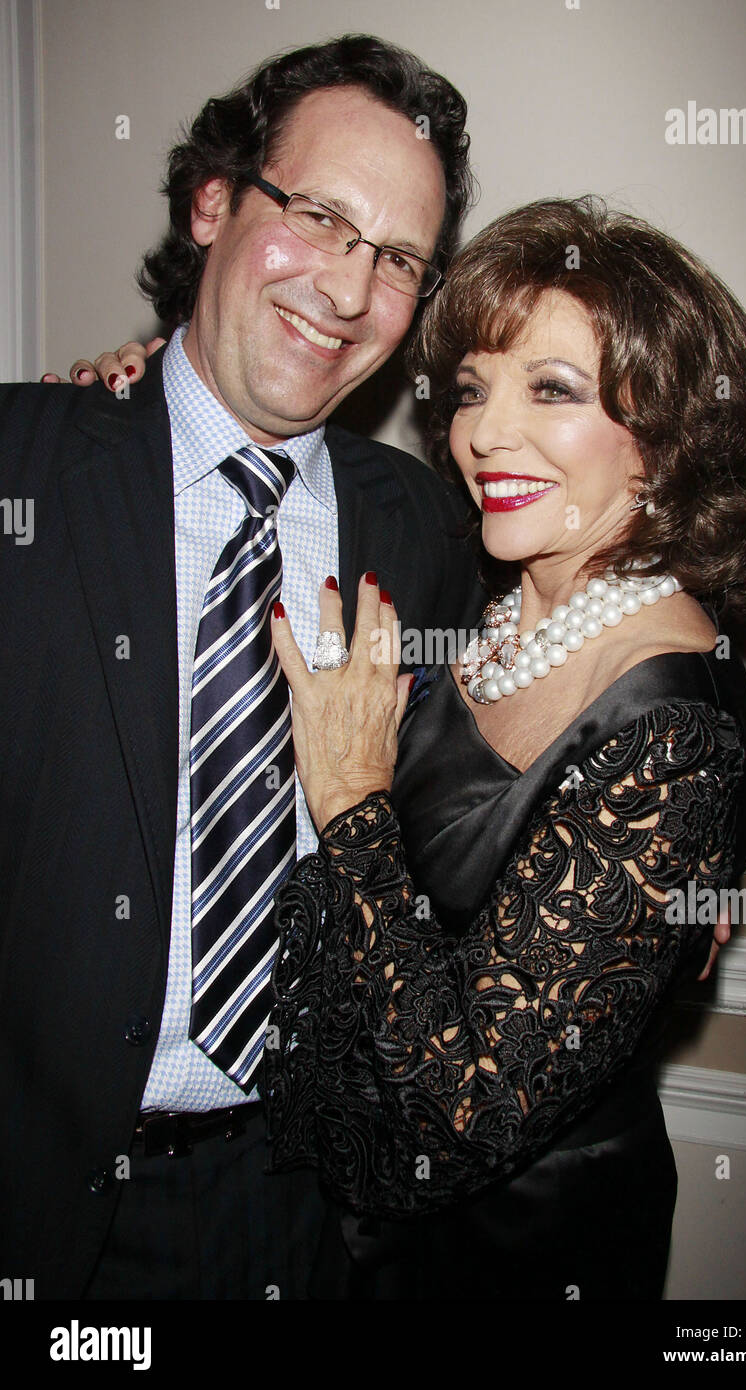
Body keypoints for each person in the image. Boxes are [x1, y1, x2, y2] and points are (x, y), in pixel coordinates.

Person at [0, 34, 483, 1300]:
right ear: (213, 201)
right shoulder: (22, 466)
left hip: (309, 1204)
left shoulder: (429, 530)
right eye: (318, 215)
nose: (345, 285)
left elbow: (594, 609)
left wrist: (683, 851)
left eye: (394, 259)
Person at [256, 197, 746, 1299]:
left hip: (511, 1252)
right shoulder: (497, 597)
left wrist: (353, 791)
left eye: (550, 390)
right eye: (469, 389)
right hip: (351, 1226)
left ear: (666, 433)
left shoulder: (670, 725)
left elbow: (463, 1102)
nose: (482, 434)